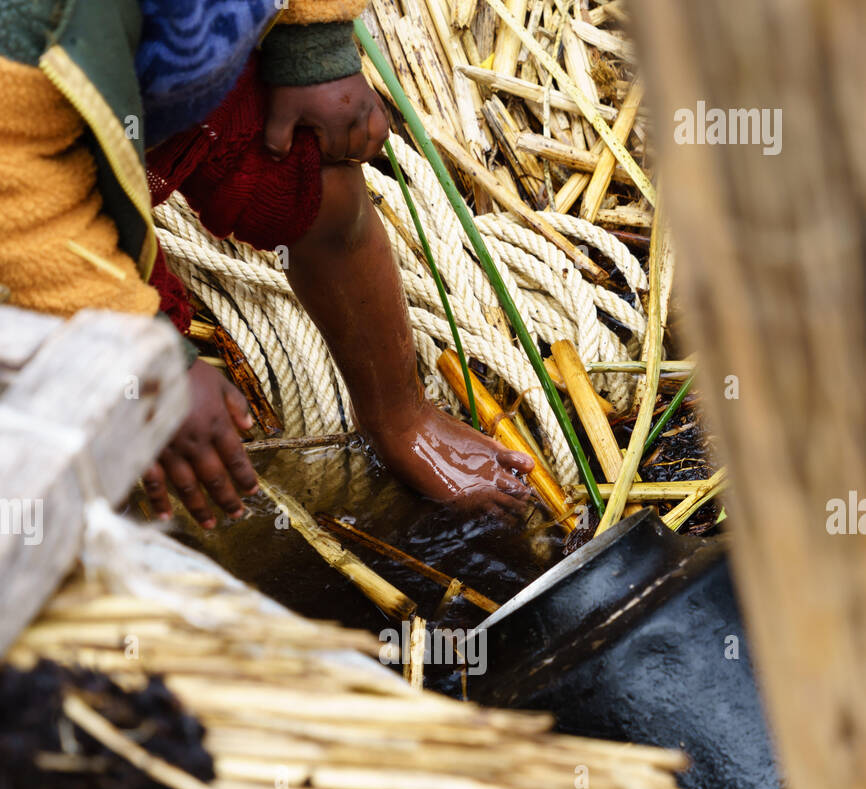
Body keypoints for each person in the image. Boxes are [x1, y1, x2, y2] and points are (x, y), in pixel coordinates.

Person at [0, 0, 533, 529]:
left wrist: (315, 50)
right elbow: (24, 216)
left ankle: (400, 419)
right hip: (35, 166)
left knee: (318, 184)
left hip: (176, 88)